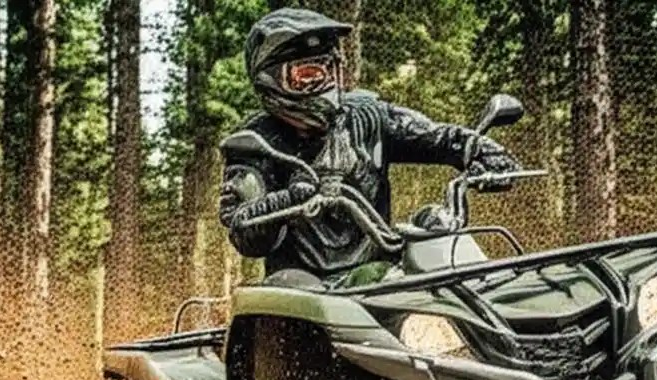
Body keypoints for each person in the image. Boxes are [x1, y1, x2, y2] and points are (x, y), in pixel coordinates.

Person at [218, 8, 521, 286]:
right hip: (302, 289)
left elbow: (432, 135)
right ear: (272, 79)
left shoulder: (368, 115)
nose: (322, 82)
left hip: (379, 274)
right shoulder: (252, 144)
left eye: (328, 68)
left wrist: (478, 148)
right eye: (307, 74)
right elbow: (246, 235)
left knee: (431, 241)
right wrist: (287, 199)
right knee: (289, 286)